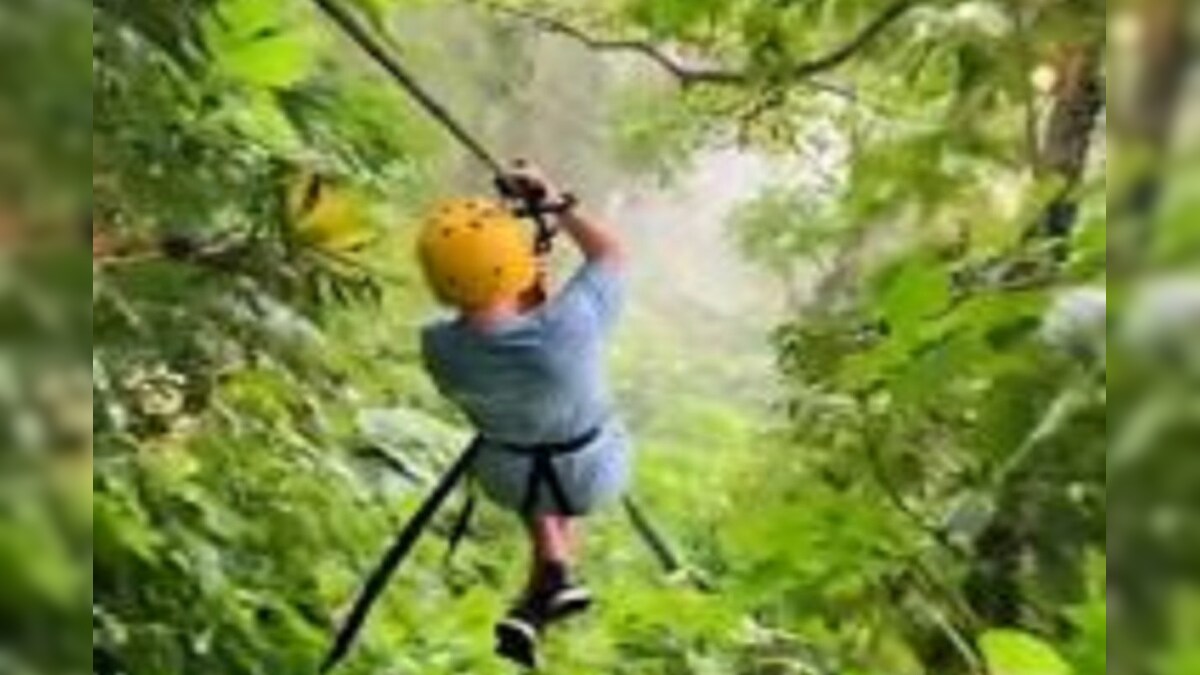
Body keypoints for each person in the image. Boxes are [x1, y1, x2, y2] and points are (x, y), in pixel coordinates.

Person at [416, 162, 631, 668]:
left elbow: (490, 329)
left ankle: (546, 580)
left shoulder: (439, 347)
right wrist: (556, 203)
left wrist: (520, 288)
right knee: (563, 449)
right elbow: (612, 254)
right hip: (593, 471)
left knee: (526, 439)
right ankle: (551, 577)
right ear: (515, 264)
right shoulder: (572, 324)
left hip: (509, 477)